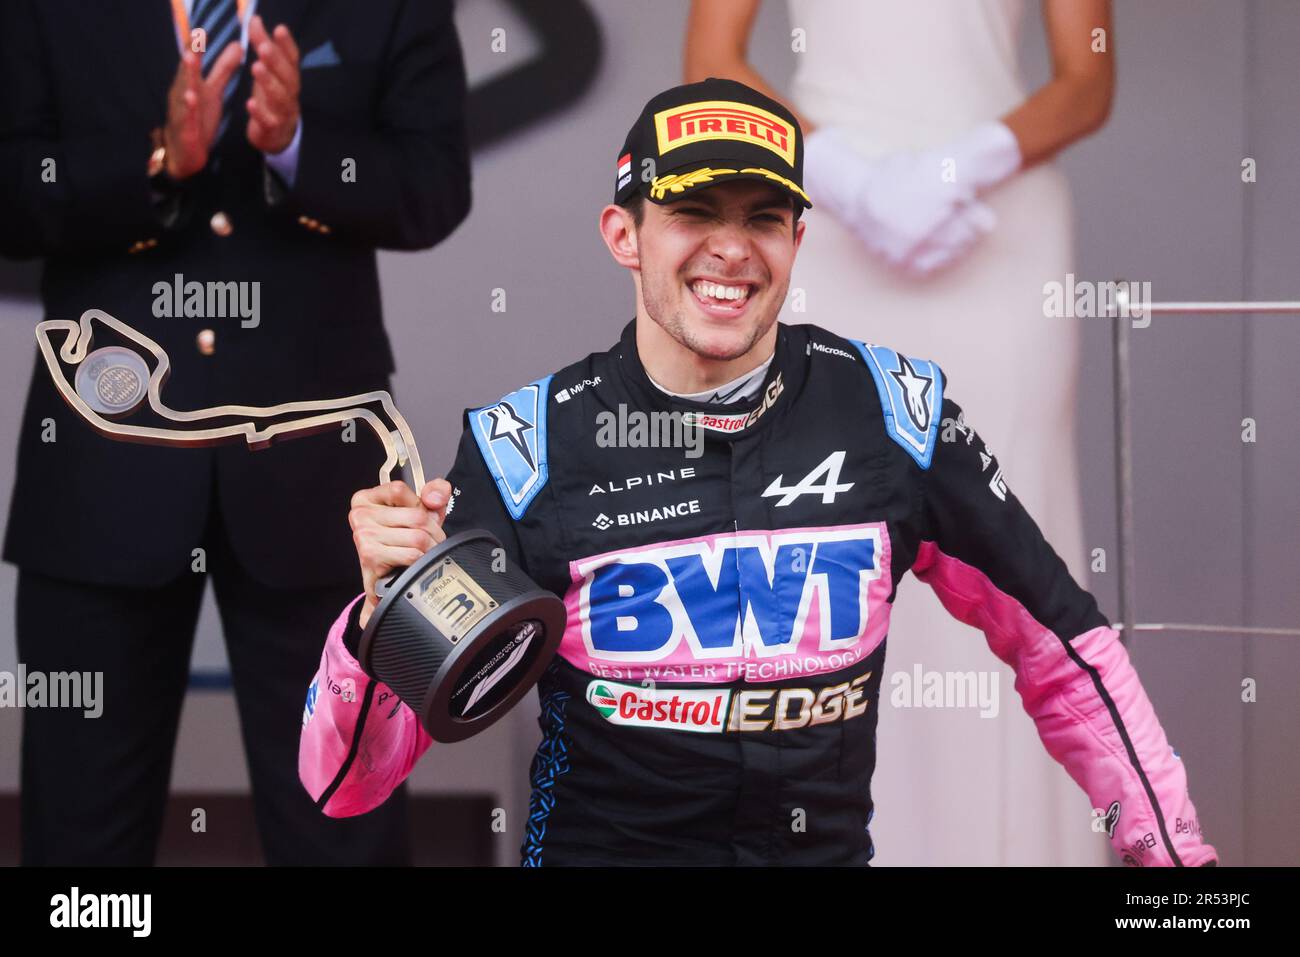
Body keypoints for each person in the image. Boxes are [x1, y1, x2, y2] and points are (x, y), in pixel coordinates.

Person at [299, 78, 1214, 867]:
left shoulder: (893, 411)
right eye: (695, 212)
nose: (732, 249)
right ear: (625, 234)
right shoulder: (526, 443)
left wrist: (1179, 871)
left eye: (763, 218)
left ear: (798, 237)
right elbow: (347, 783)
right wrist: (379, 615)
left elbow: (1065, 655)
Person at [0, 0, 470, 864]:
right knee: (80, 841)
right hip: (102, 469)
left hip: (325, 482)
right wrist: (154, 158)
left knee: (344, 825)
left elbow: (437, 186)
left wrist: (298, 145)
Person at [684, 0, 1114, 863]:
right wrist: (840, 175)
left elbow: (1087, 80)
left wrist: (960, 167)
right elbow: (710, 60)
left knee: (1009, 552)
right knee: (822, 554)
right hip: (823, 220)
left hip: (995, 230)